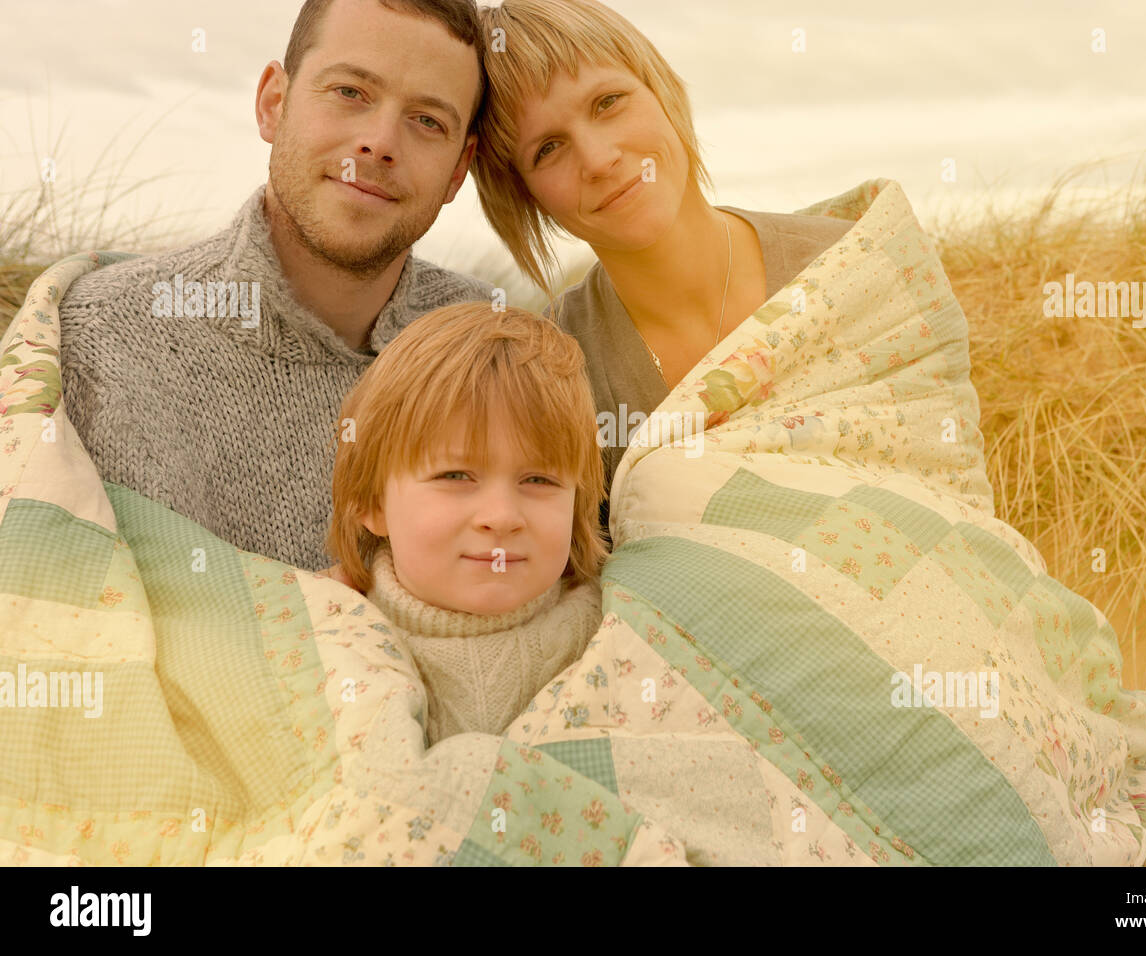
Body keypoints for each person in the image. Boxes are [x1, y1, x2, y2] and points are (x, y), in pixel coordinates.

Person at [56, 0, 492, 571]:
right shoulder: (102, 339)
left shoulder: (494, 344)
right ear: (273, 103)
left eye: (427, 121)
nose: (381, 142)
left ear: (458, 171)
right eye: (350, 92)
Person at [470, 0, 856, 538]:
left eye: (608, 103)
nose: (600, 159)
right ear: (525, 196)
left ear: (660, 88)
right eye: (548, 148)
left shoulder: (852, 261)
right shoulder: (552, 372)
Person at [324, 302, 606, 741]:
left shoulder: (619, 632)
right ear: (371, 502)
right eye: (455, 476)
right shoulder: (325, 635)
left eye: (539, 479)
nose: (501, 518)